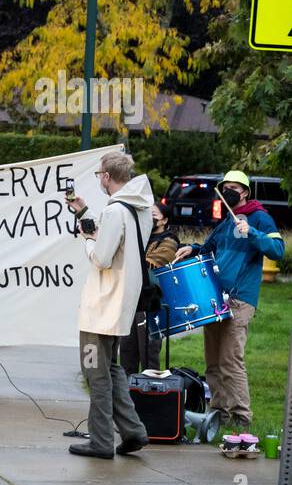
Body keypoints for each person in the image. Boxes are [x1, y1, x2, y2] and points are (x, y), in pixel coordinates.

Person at [172, 169, 284, 433]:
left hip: (240, 299)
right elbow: (210, 249)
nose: (229, 192)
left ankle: (242, 419)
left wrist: (253, 233)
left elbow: (277, 250)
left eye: (234, 187)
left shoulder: (260, 218)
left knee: (231, 359)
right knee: (213, 360)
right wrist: (193, 249)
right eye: (225, 188)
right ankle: (218, 414)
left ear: (245, 191)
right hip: (215, 296)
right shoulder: (225, 223)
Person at [67, 151, 153, 459]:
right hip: (122, 302)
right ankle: (133, 431)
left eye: (98, 176)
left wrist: (87, 239)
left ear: (106, 177)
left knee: (95, 372)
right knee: (112, 367)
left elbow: (102, 257)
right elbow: (120, 243)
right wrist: (86, 214)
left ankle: (100, 440)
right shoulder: (139, 206)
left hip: (102, 304)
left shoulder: (115, 210)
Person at [119, 202, 179, 376]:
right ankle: (127, 396)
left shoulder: (169, 241)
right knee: (127, 350)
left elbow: (151, 263)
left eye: (154, 214)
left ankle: (149, 395)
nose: (148, 217)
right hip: (131, 299)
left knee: (148, 353)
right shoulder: (141, 237)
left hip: (151, 302)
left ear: (164, 220)